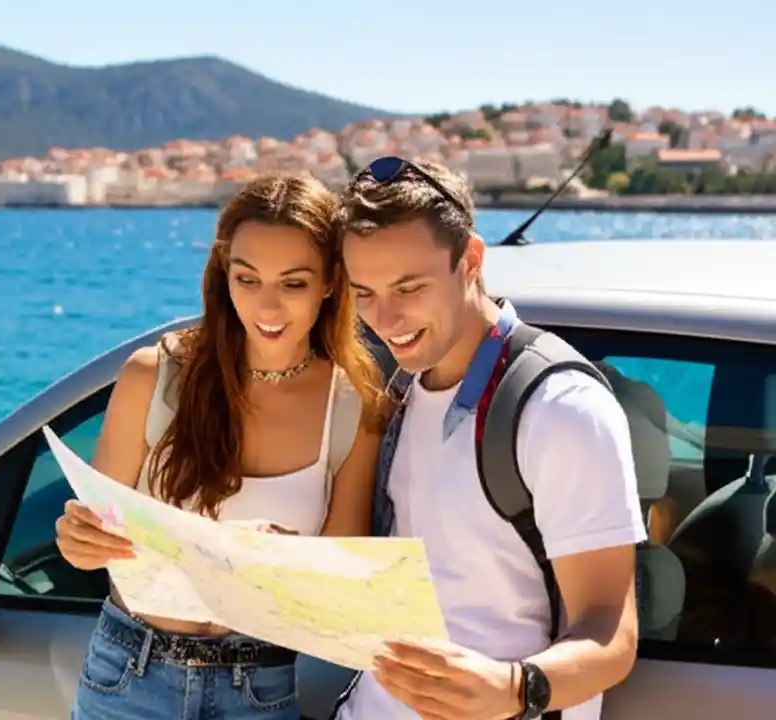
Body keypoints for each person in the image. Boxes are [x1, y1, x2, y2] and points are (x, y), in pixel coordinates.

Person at [53, 173, 387, 719]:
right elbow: (90, 541)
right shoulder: (154, 377)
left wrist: (270, 557)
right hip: (127, 674)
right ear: (223, 273)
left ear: (331, 283)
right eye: (247, 279)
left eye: (294, 283)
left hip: (256, 685)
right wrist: (77, 539)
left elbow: (336, 584)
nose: (268, 307)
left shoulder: (354, 406)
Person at [333, 157, 645, 720]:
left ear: (470, 260)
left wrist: (512, 688)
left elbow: (611, 637)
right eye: (364, 292)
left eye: (409, 287)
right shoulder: (400, 392)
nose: (385, 317)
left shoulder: (559, 409)